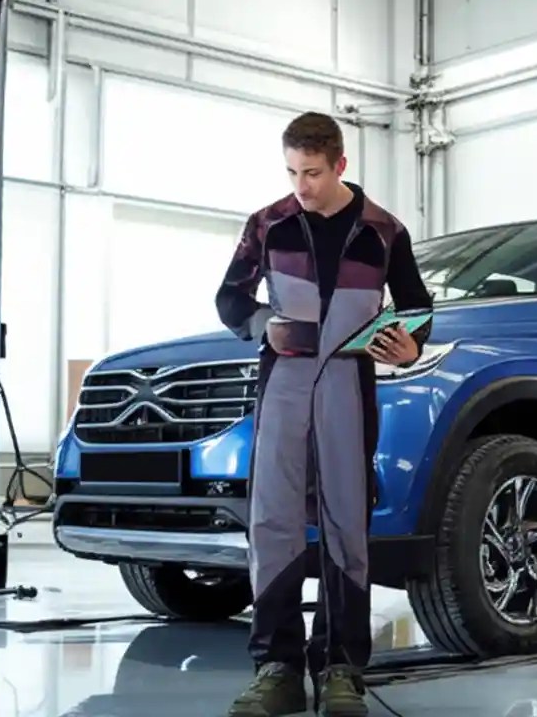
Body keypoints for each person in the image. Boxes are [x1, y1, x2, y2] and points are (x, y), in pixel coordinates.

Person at [215, 111, 433, 717]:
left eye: (311, 172)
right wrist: (263, 326)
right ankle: (276, 670)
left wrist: (411, 343)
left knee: (346, 527)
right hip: (283, 386)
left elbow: (417, 307)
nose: (300, 186)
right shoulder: (268, 225)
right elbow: (229, 298)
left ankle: (341, 667)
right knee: (273, 525)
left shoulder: (384, 232)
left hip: (347, 387)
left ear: (340, 165)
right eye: (291, 171)